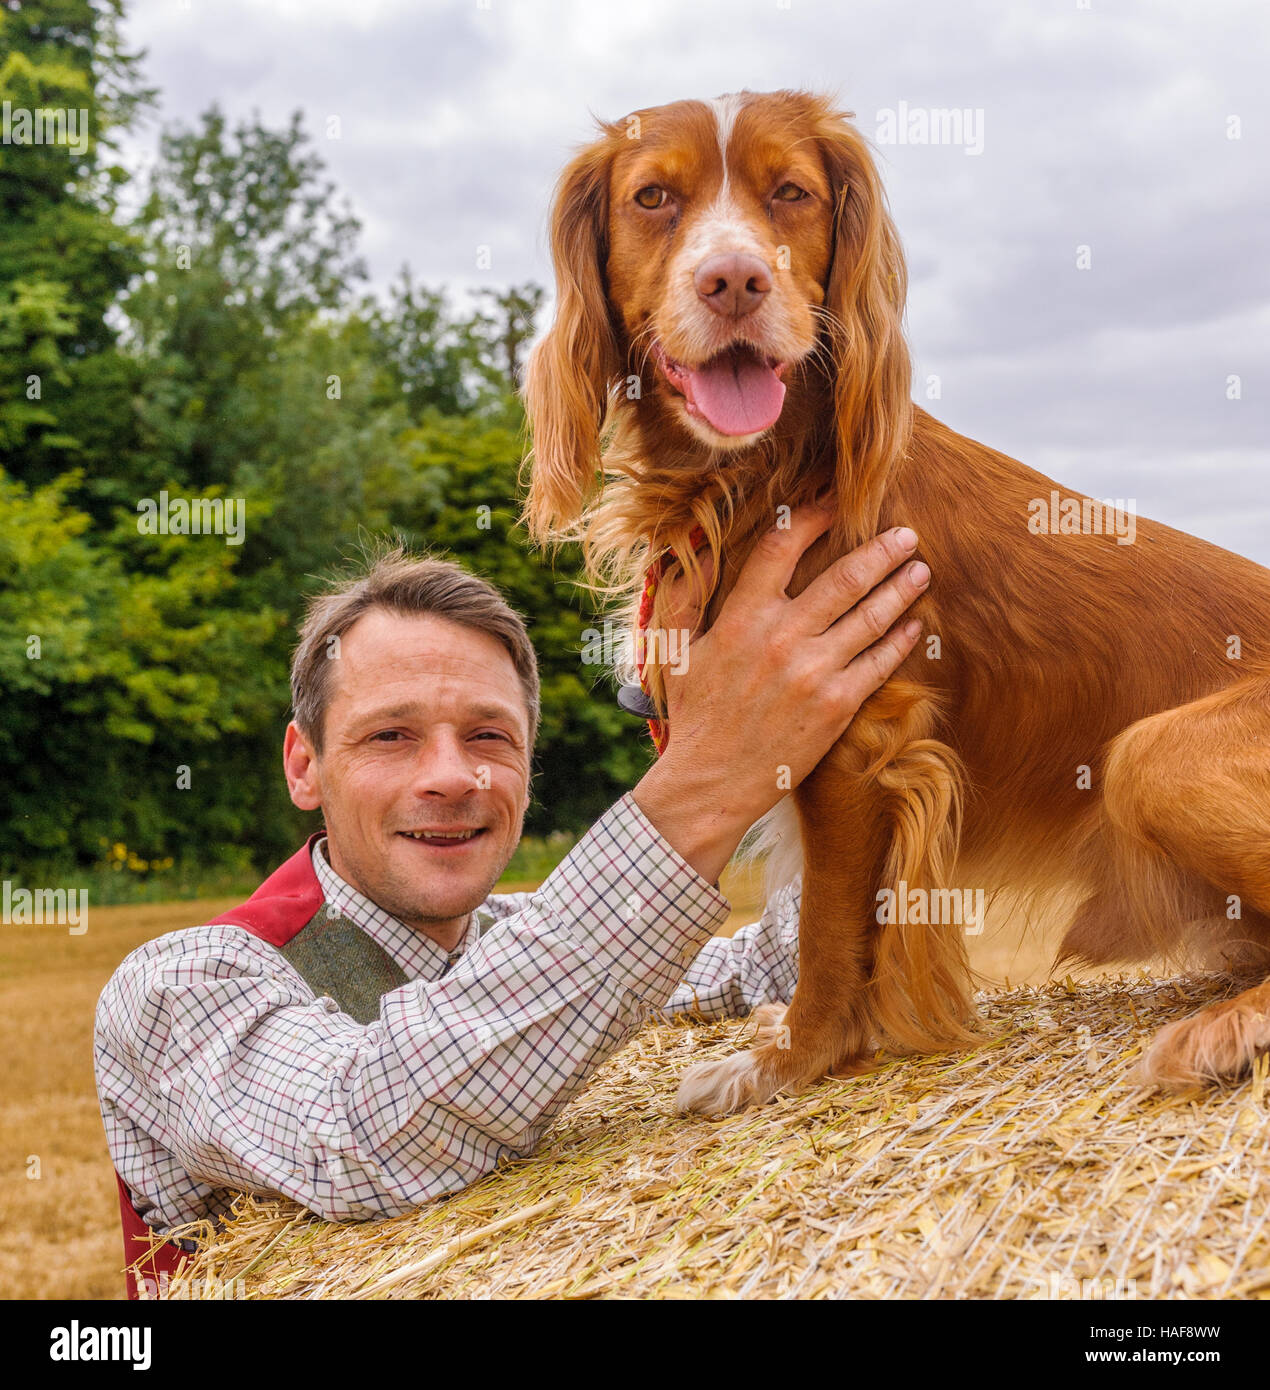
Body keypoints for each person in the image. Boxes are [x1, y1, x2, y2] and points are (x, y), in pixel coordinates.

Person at [94, 502, 928, 1295]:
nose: (453, 777)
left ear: (529, 766)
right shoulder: (179, 987)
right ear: (304, 765)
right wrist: (708, 782)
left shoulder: (514, 934)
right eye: (391, 735)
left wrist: (860, 747)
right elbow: (353, 1137)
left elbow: (760, 969)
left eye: (490, 736)